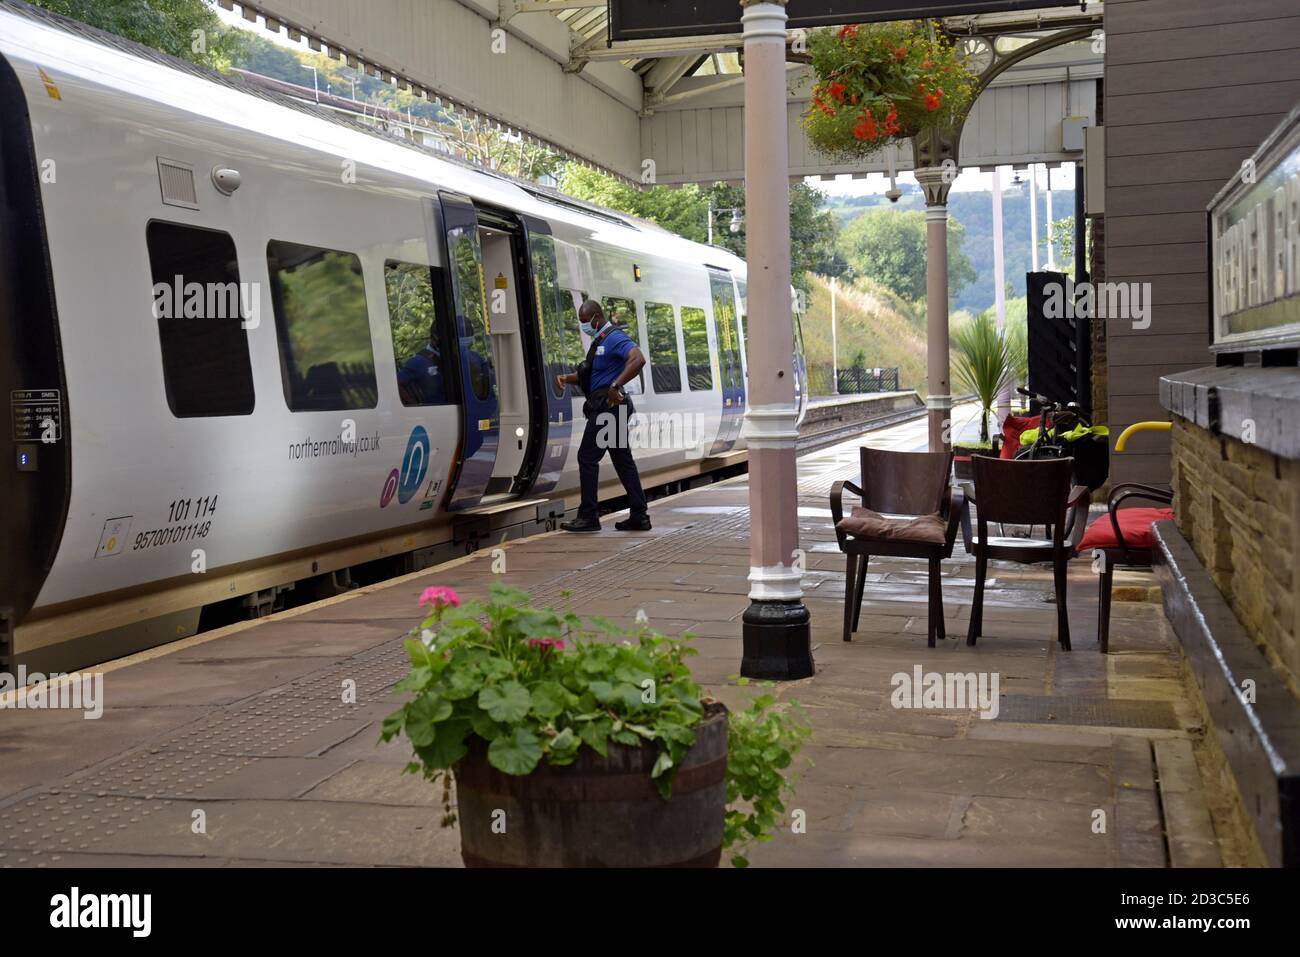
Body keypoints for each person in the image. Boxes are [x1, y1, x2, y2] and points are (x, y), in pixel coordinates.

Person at [555, 300, 650, 532]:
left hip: (608, 407)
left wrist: (616, 385)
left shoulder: (615, 337)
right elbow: (592, 374)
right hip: (612, 409)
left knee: (587, 458)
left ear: (597, 317)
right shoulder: (600, 342)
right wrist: (567, 378)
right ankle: (639, 515)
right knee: (622, 460)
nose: (584, 327)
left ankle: (589, 516)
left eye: (585, 322)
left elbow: (638, 359)